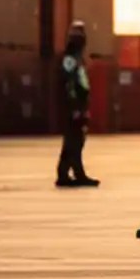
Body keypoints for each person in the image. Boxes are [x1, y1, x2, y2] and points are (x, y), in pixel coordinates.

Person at [56, 20, 99, 187]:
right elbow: (69, 84)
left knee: (75, 140)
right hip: (74, 107)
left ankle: (68, 173)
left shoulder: (78, 59)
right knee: (74, 140)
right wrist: (74, 106)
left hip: (79, 105)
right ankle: (70, 174)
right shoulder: (70, 60)